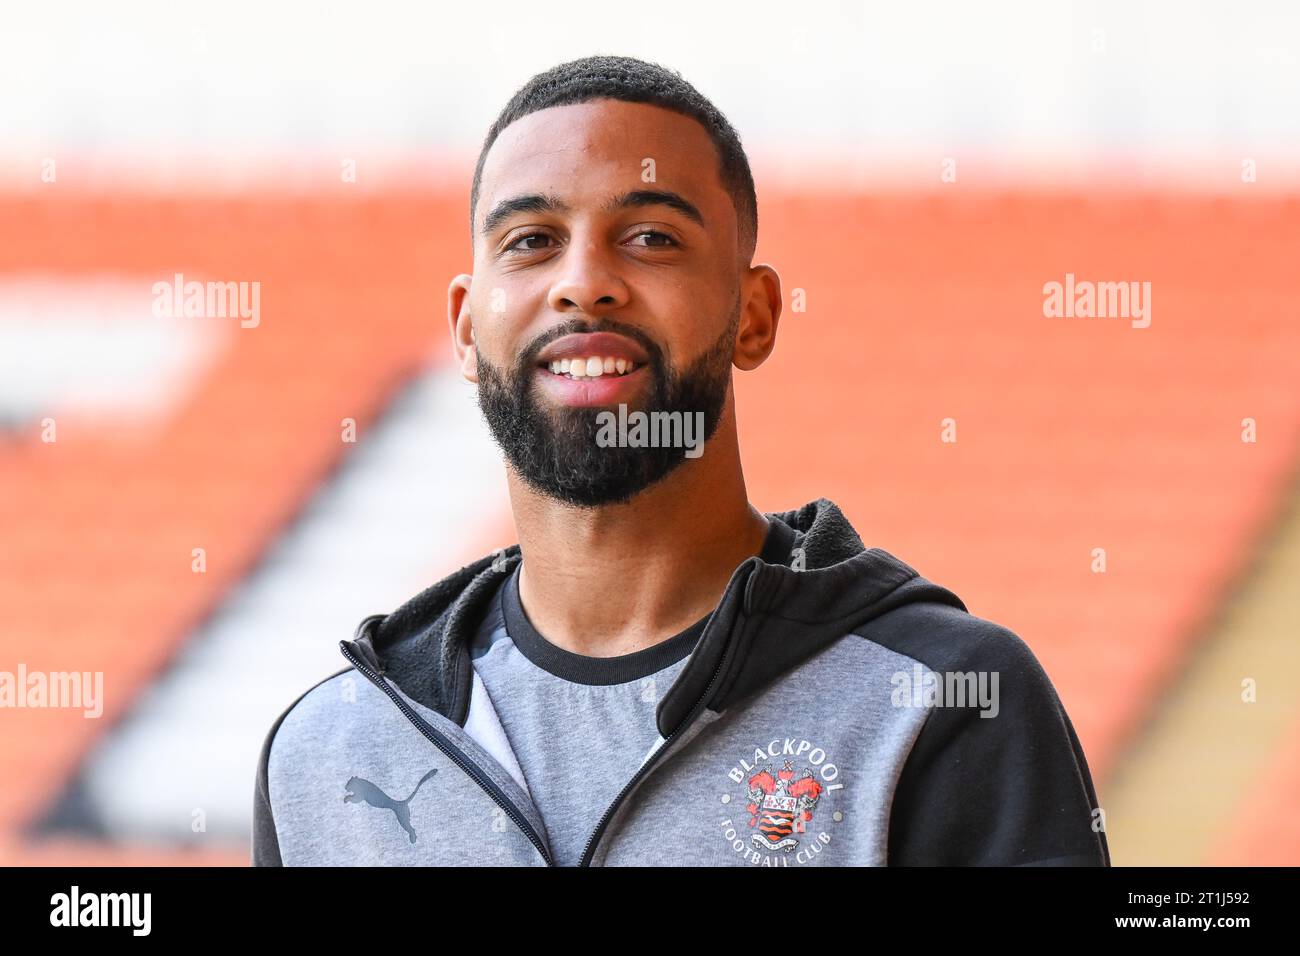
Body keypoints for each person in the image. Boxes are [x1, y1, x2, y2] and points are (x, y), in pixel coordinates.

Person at [252, 54, 1110, 867]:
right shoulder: (332, 746)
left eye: (653, 237)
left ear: (755, 316)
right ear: (467, 328)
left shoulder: (943, 699)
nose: (583, 282)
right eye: (530, 240)